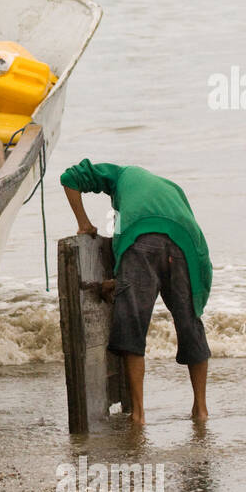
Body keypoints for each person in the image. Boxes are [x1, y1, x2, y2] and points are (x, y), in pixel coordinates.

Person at [60, 159, 212, 424]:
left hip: (141, 243)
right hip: (184, 243)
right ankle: (201, 410)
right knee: (190, 323)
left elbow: (69, 177)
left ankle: (139, 415)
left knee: (132, 323)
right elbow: (188, 246)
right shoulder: (171, 190)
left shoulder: (121, 175)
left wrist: (84, 224)